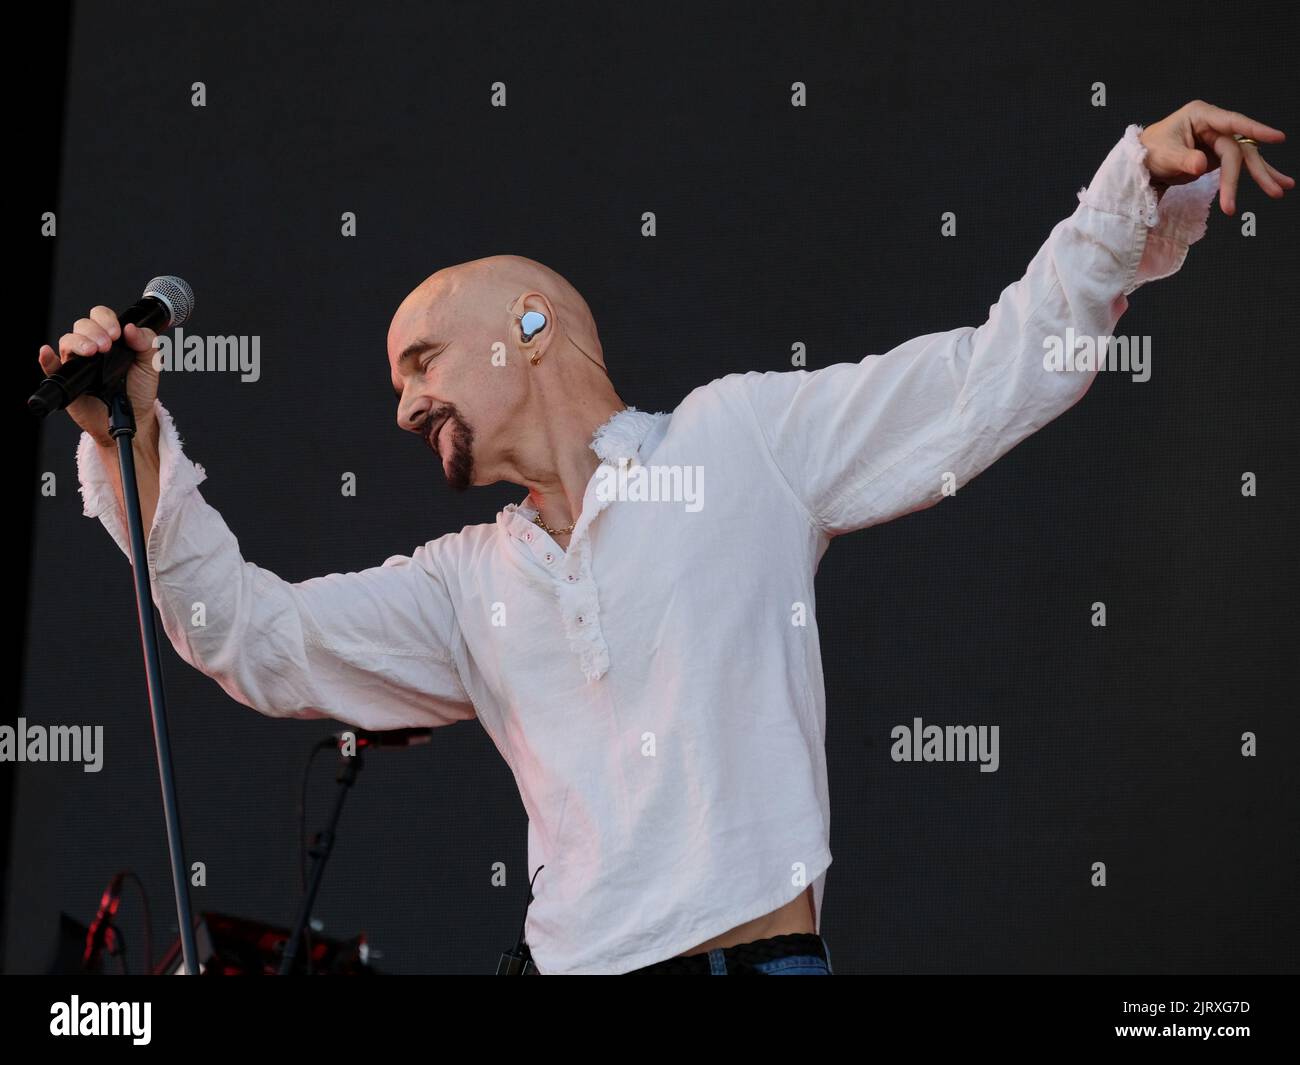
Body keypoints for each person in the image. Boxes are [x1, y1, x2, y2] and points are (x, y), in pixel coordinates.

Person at [41, 101, 1289, 975]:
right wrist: (131, 442)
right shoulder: (464, 586)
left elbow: (992, 377)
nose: (403, 400)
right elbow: (246, 637)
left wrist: (1129, 193)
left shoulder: (737, 445)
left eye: (420, 358)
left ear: (528, 327)